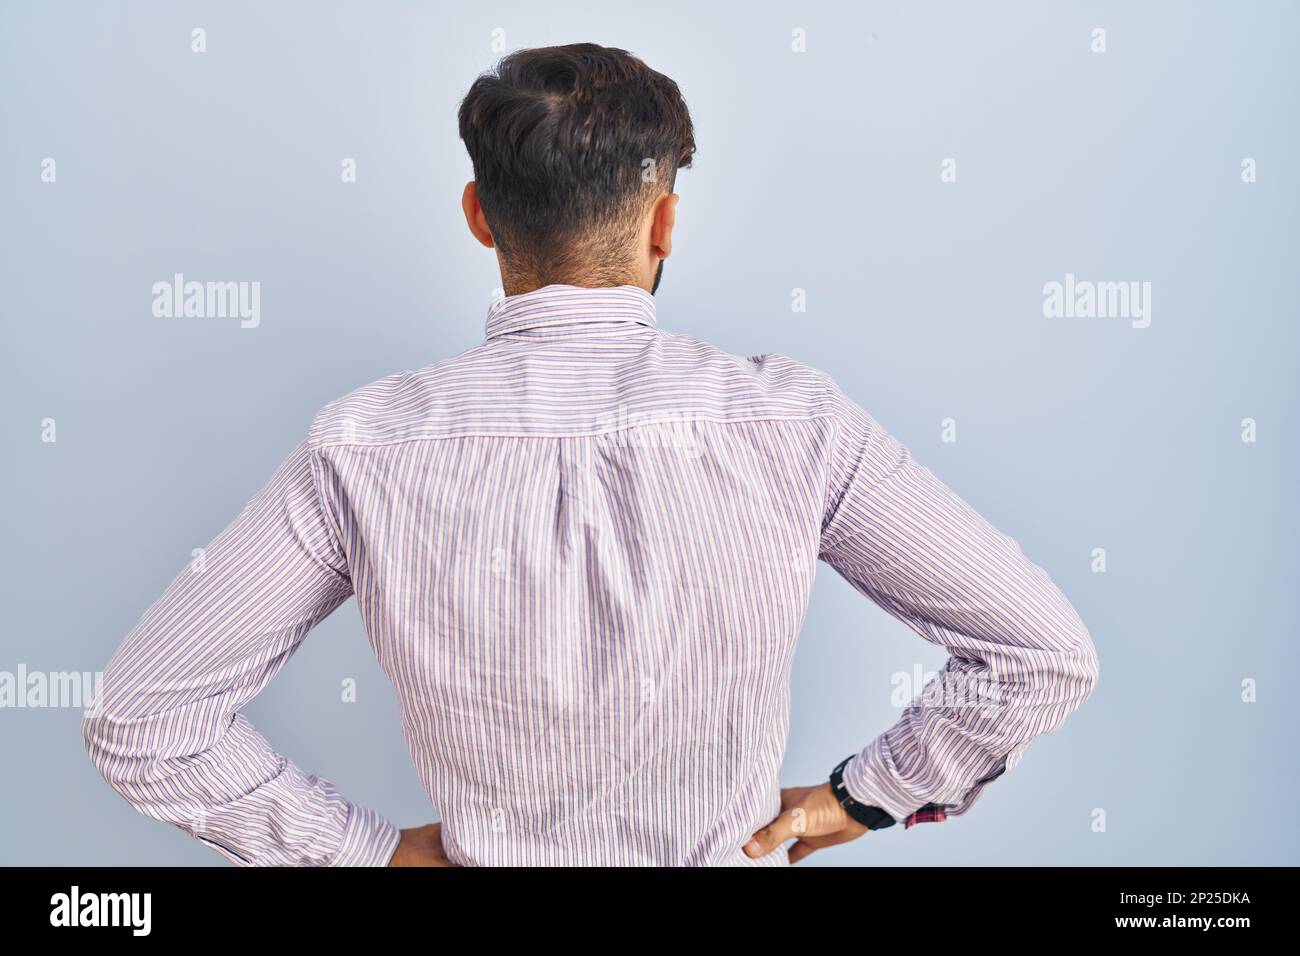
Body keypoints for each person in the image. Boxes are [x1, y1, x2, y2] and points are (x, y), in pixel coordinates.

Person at [83, 43, 1098, 867]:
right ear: (665, 222)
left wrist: (361, 854)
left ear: (479, 215)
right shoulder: (795, 422)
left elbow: (142, 719)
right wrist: (861, 800)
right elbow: (1041, 652)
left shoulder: (363, 442)